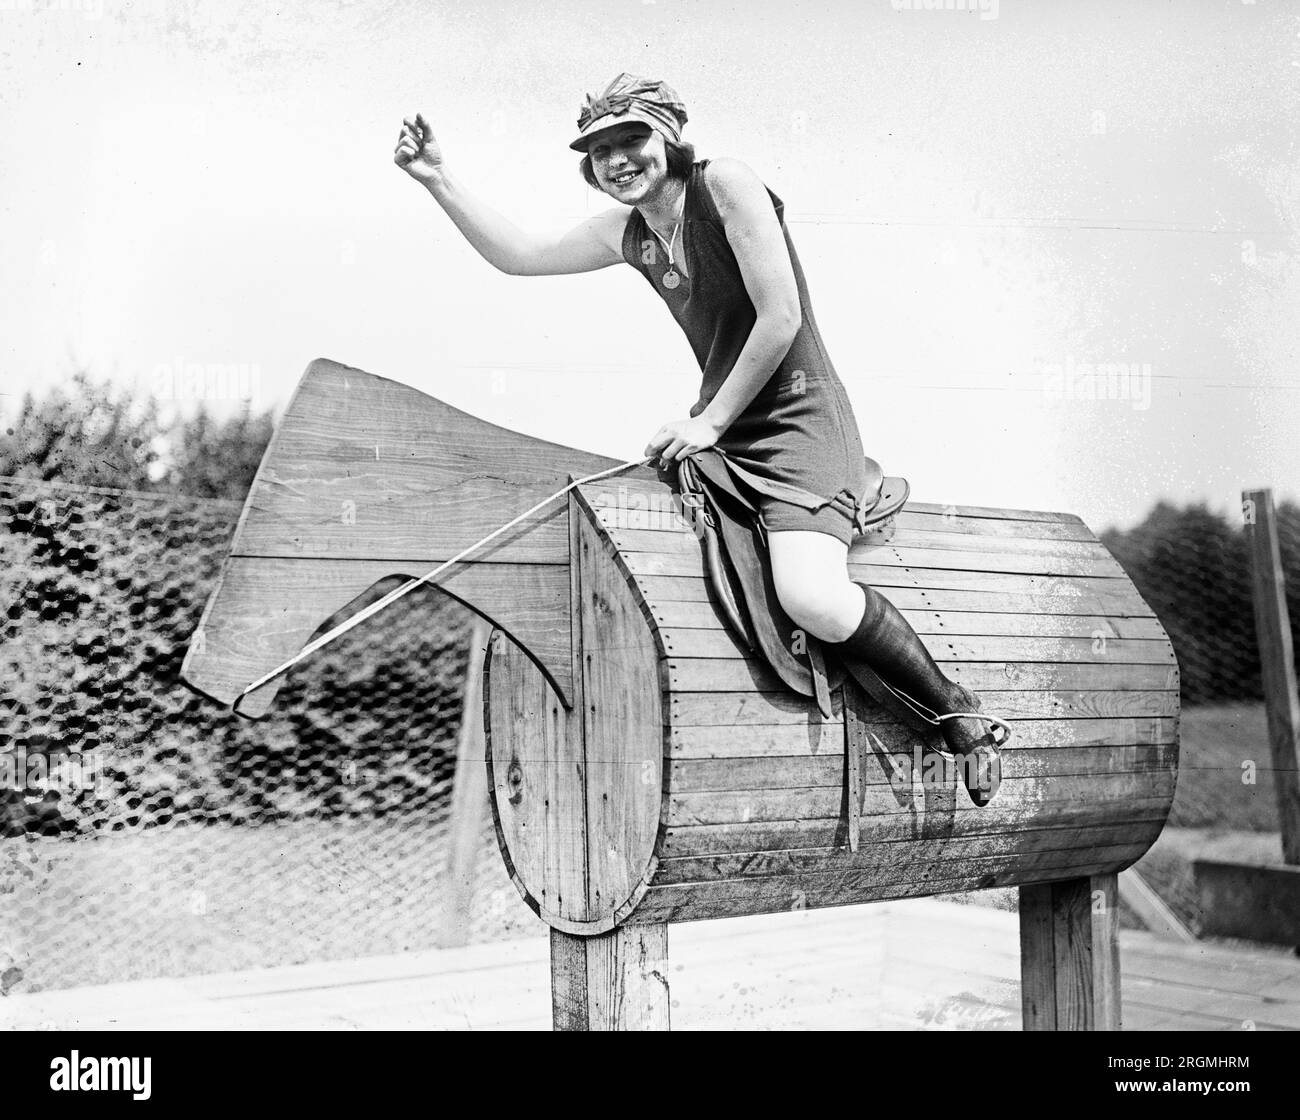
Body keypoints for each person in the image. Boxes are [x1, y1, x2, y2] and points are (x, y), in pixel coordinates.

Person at [394, 73, 1004, 805]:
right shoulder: (628, 231)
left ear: (669, 137)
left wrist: (709, 422)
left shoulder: (729, 185)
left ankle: (960, 713)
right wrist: (437, 178)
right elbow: (519, 254)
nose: (618, 160)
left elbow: (780, 318)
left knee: (809, 595)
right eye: (599, 151)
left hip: (800, 422)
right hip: (721, 429)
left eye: (632, 141)